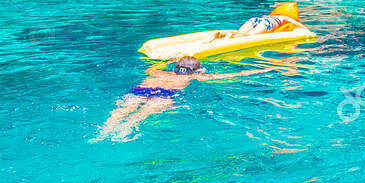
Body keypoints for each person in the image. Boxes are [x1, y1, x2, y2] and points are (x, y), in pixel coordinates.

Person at [92, 56, 269, 142]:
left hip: (140, 90)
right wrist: (263, 70)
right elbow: (236, 75)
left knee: (119, 112)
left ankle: (103, 132)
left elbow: (151, 65)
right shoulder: (195, 77)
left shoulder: (157, 72)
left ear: (176, 66)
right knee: (141, 116)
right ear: (198, 70)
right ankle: (122, 133)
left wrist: (170, 60)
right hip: (165, 94)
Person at [225, 1, 301, 38]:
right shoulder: (284, 18)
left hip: (255, 19)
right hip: (268, 23)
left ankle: (221, 34)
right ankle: (230, 36)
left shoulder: (271, 16)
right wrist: (308, 31)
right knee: (249, 35)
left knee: (240, 33)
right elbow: (296, 23)